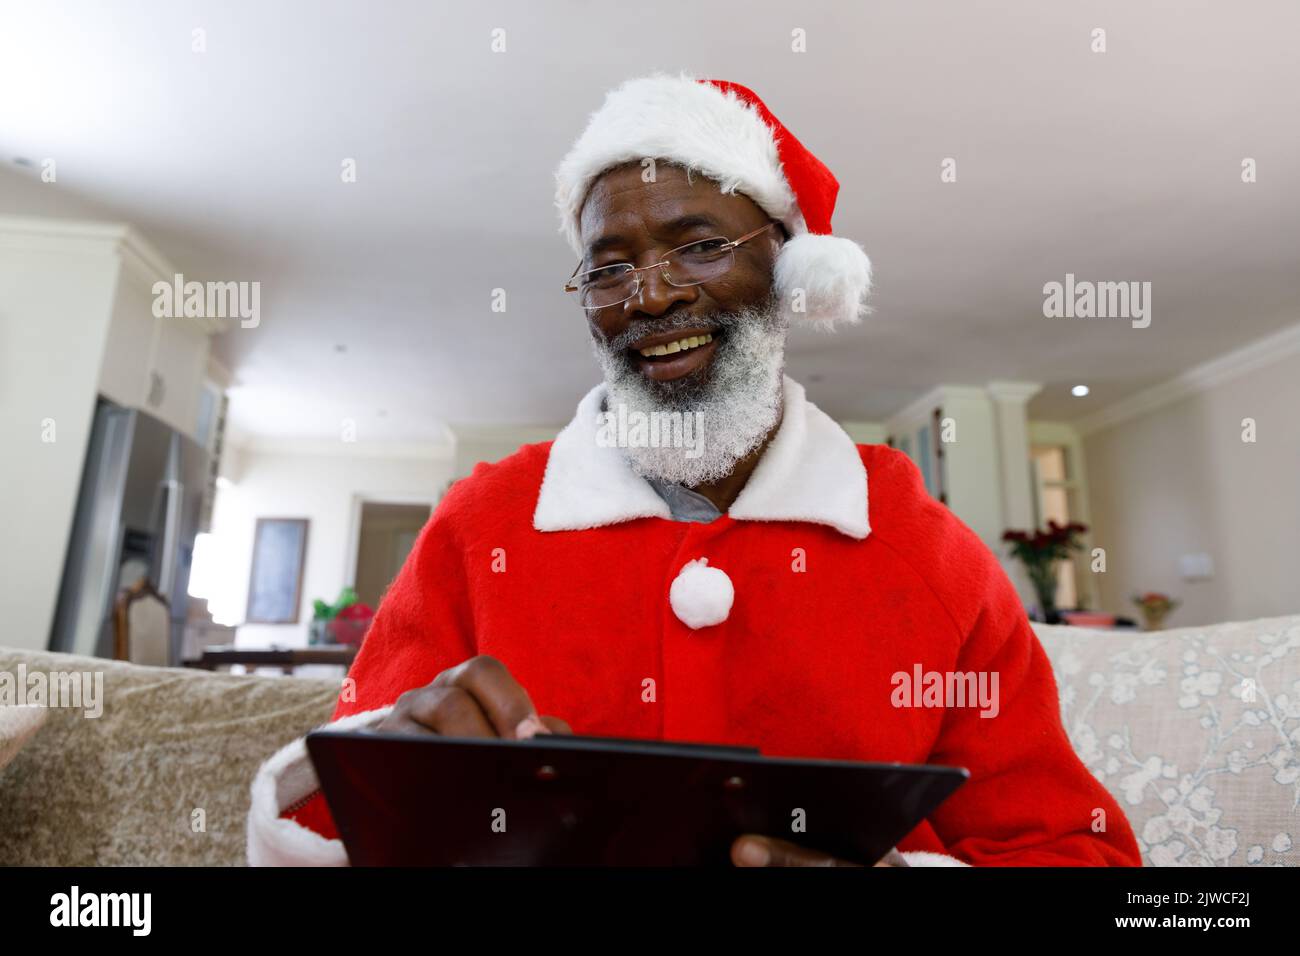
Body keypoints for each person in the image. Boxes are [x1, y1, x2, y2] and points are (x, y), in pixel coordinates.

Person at [247, 71, 1141, 868]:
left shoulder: (924, 548)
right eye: (609, 266)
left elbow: (1076, 852)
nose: (653, 294)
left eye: (701, 245)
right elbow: (326, 823)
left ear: (787, 267)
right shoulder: (480, 527)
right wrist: (401, 791)